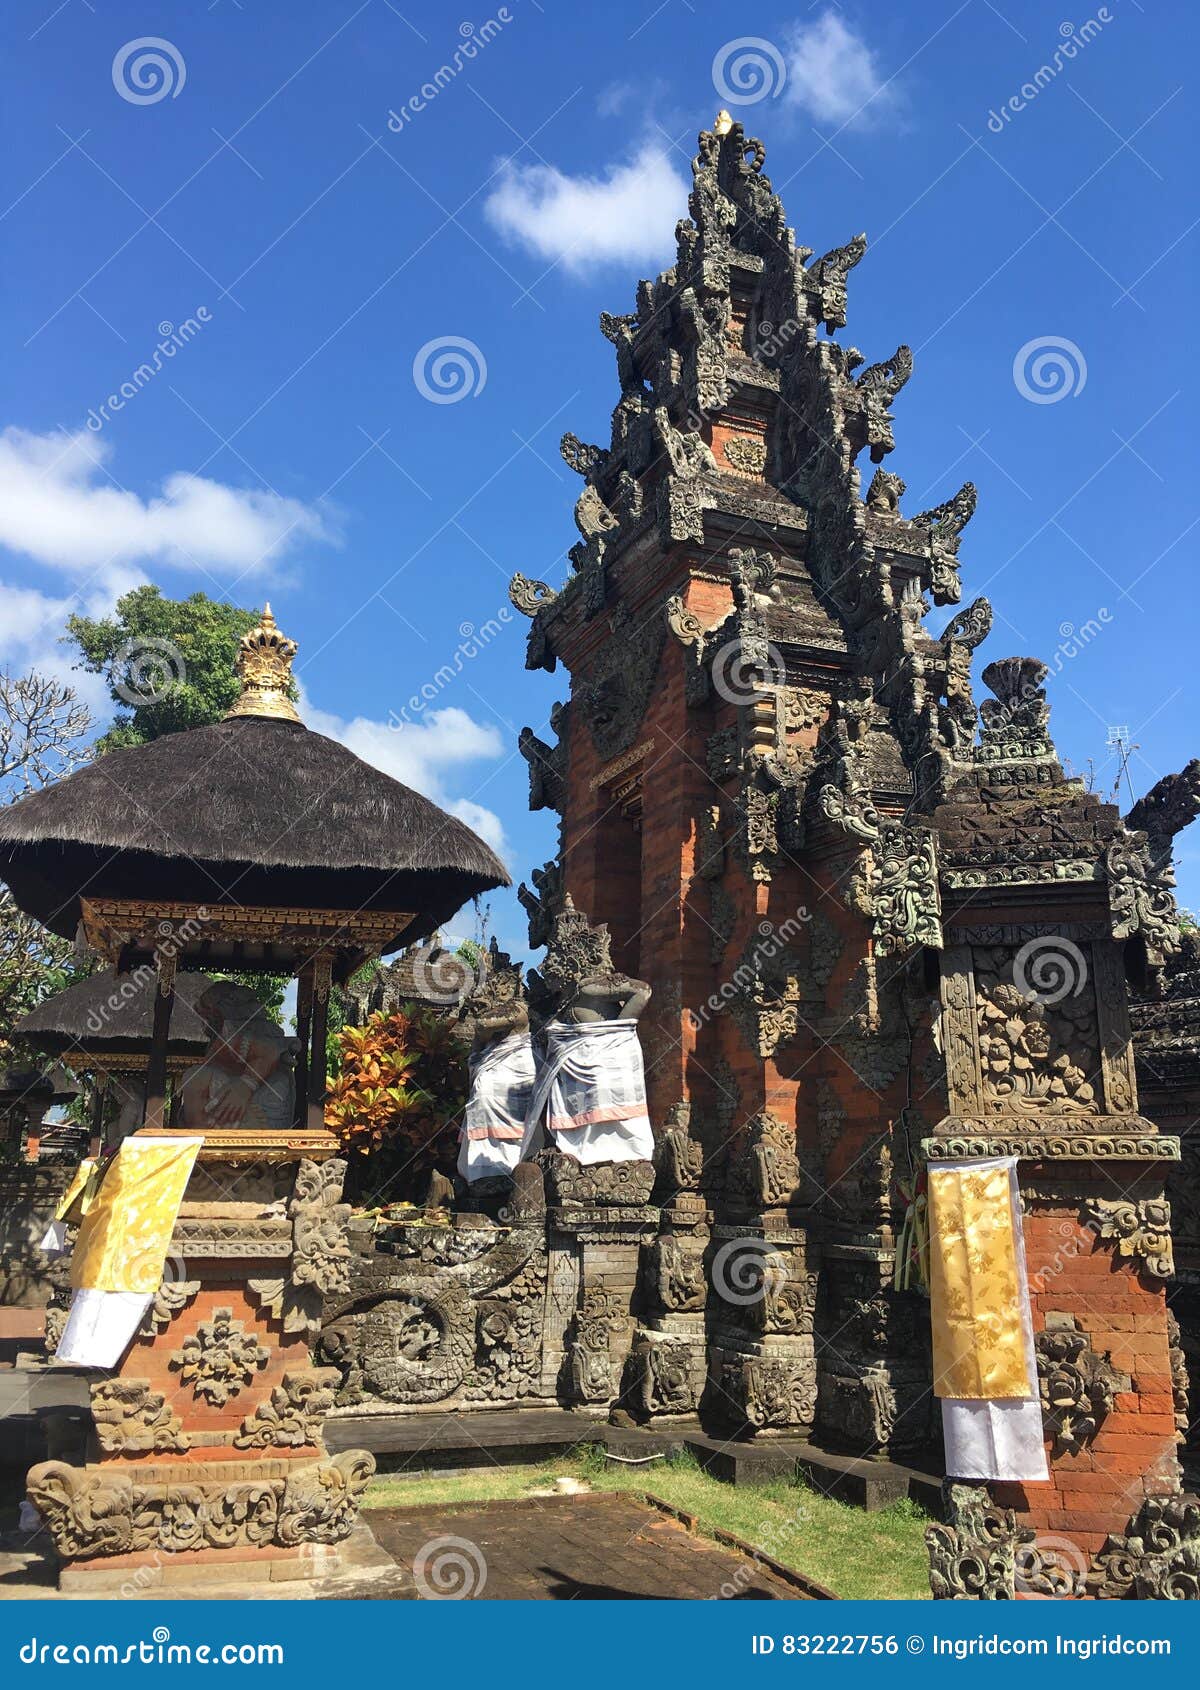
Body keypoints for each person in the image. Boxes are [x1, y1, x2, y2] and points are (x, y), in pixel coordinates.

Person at [178, 981, 295, 1131]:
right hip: (246, 1101)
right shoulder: (223, 1037)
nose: (203, 1023)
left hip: (264, 1103)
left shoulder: (236, 1033)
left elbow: (270, 1052)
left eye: (207, 1014)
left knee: (195, 1077)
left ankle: (203, 1134)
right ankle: (202, 1133)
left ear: (218, 1011)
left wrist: (245, 1085)